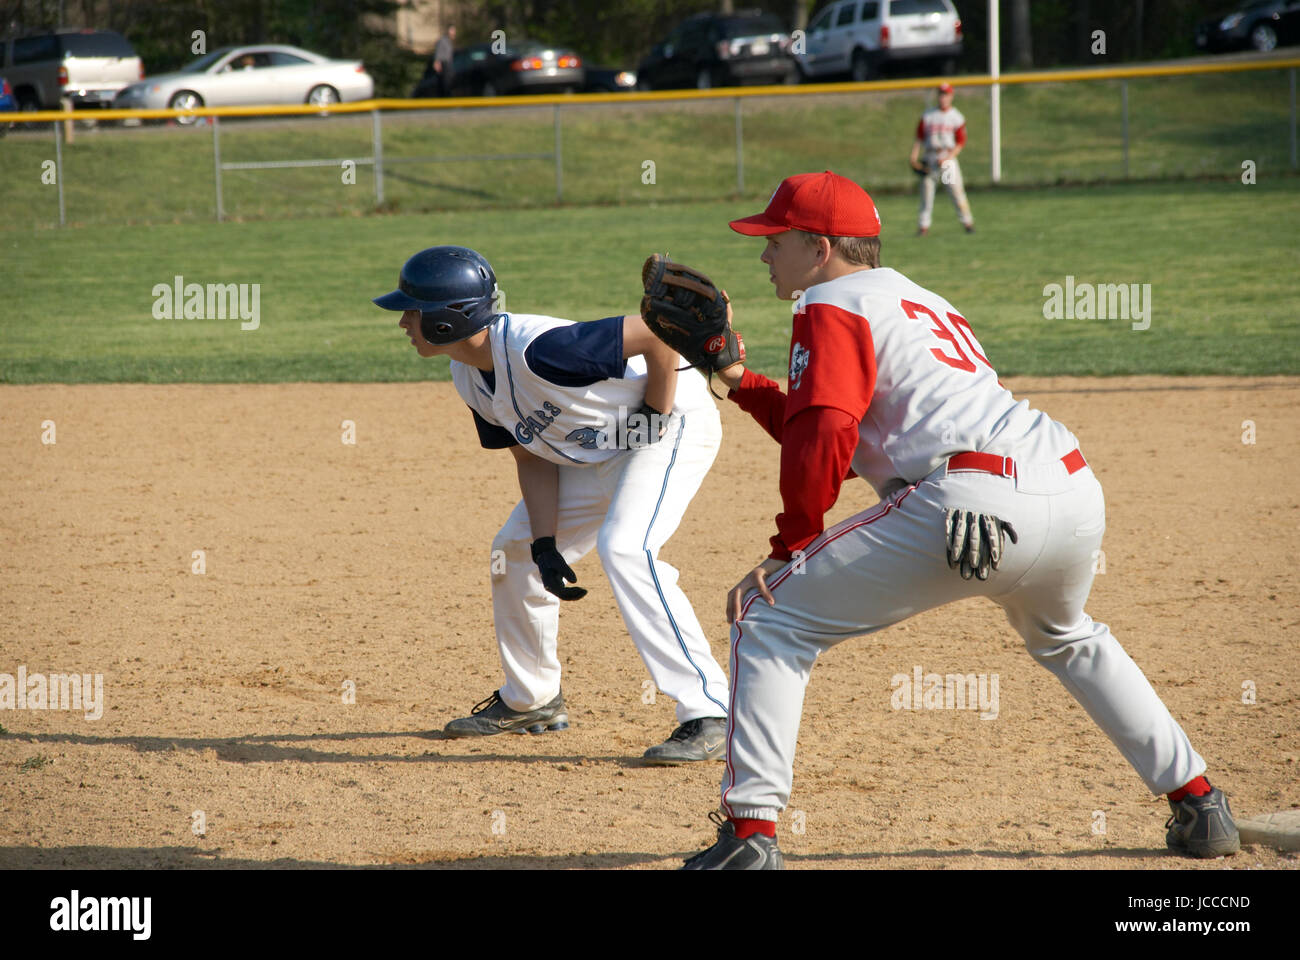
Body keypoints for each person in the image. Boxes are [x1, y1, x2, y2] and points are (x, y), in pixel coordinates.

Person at [680, 171, 1240, 868]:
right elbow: (849, 429)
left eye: (776, 241)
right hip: (1066, 487)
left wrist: (788, 546)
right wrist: (739, 381)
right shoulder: (918, 299)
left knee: (767, 617)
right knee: (1068, 636)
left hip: (969, 503)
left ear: (819, 248)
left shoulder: (828, 301)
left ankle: (750, 841)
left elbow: (826, 430)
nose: (764, 255)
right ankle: (1199, 801)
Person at [373, 245, 729, 764]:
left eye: (414, 310)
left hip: (668, 426)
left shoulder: (541, 349)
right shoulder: (468, 374)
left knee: (626, 548)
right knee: (513, 551)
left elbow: (658, 337)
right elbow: (532, 455)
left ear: (448, 319)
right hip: (596, 448)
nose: (404, 321)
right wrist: (544, 542)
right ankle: (531, 700)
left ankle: (710, 711)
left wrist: (652, 416)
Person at [910, 81, 975, 236]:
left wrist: (948, 158)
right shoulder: (928, 116)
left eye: (946, 94)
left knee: (956, 192)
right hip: (930, 158)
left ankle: (967, 223)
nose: (943, 98)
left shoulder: (956, 117)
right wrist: (913, 157)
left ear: (951, 96)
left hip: (947, 159)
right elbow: (919, 138)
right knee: (926, 194)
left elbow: (960, 142)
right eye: (941, 94)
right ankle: (923, 227)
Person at [427, 25, 456, 96]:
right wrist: (437, 63)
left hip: (448, 65)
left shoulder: (449, 42)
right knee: (444, 84)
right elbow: (438, 54)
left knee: (448, 84)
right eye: (452, 31)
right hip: (444, 65)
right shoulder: (443, 41)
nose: (454, 33)